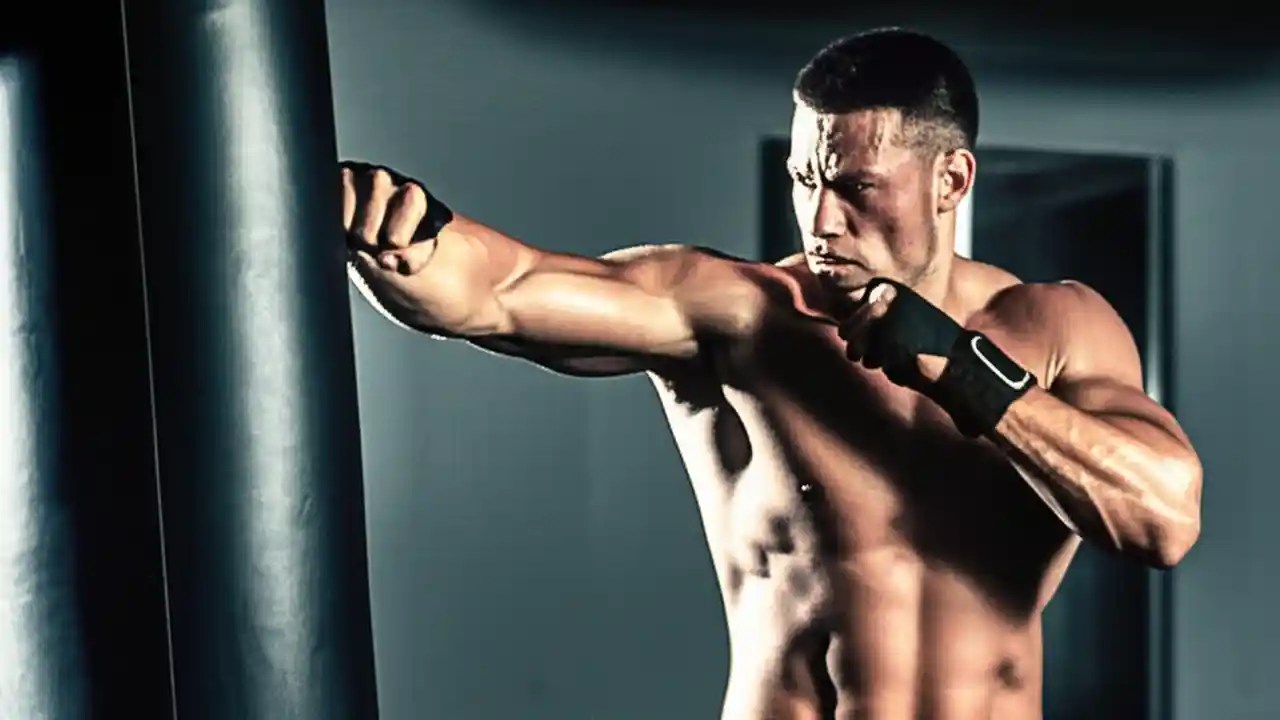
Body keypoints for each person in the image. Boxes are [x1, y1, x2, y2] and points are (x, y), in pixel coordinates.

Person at [339, 27, 1203, 720]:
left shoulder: (1055, 328)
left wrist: (958, 371)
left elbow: (1162, 520)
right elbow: (502, 290)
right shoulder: (740, 315)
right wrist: (401, 233)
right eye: (805, 179)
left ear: (953, 179)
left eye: (857, 186)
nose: (822, 219)